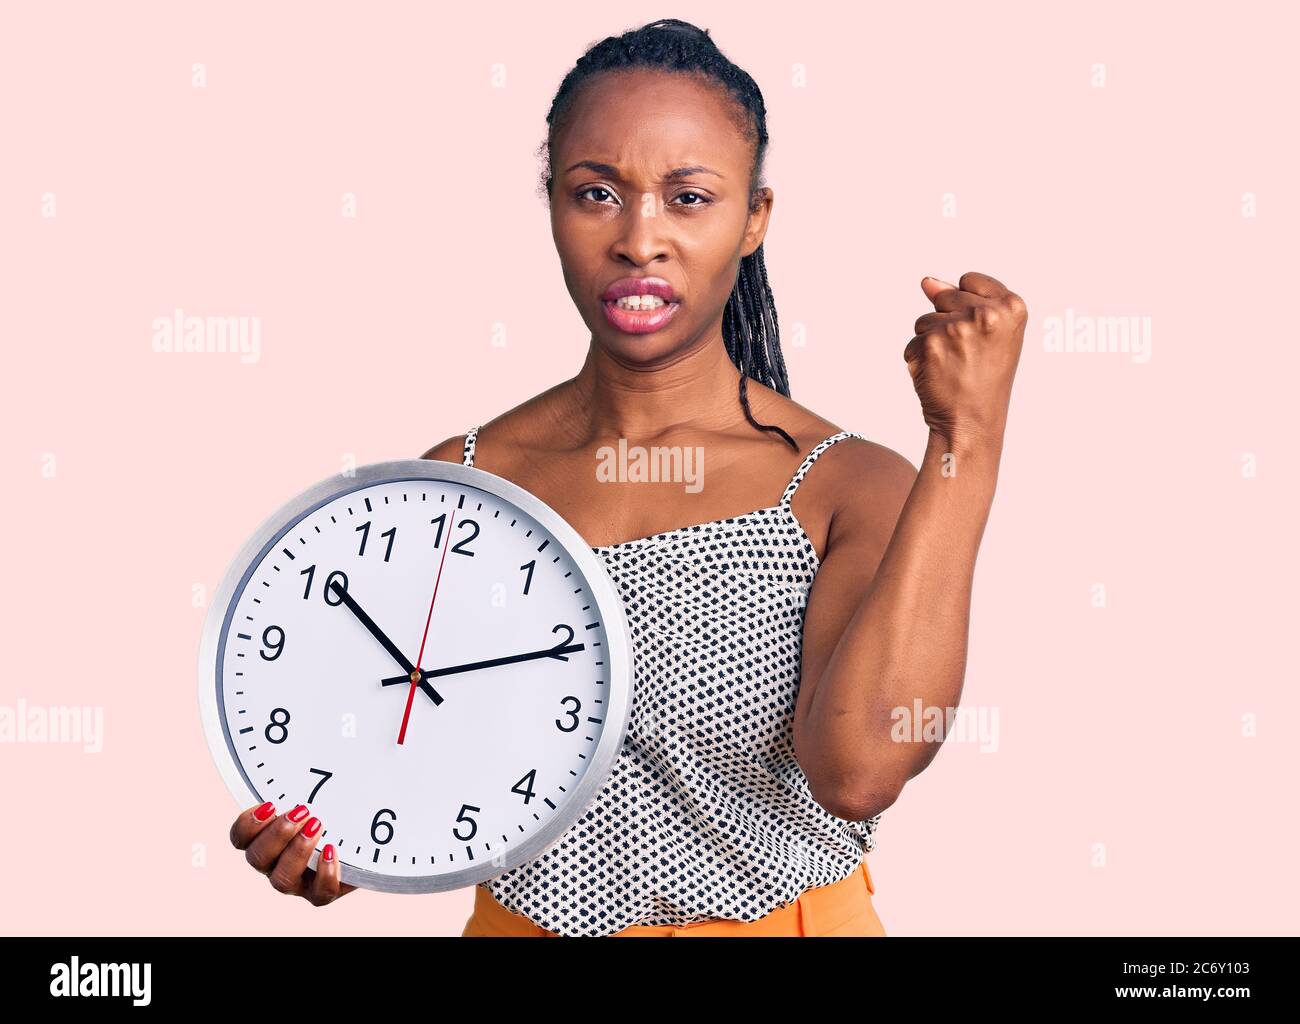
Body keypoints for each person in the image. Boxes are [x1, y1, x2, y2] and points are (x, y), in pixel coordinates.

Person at [228, 17, 1025, 935]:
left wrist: (967, 435)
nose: (638, 239)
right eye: (597, 192)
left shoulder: (843, 487)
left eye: (688, 198)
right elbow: (408, 746)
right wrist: (353, 848)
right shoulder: (458, 488)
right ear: (554, 205)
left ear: (754, 219)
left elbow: (857, 772)